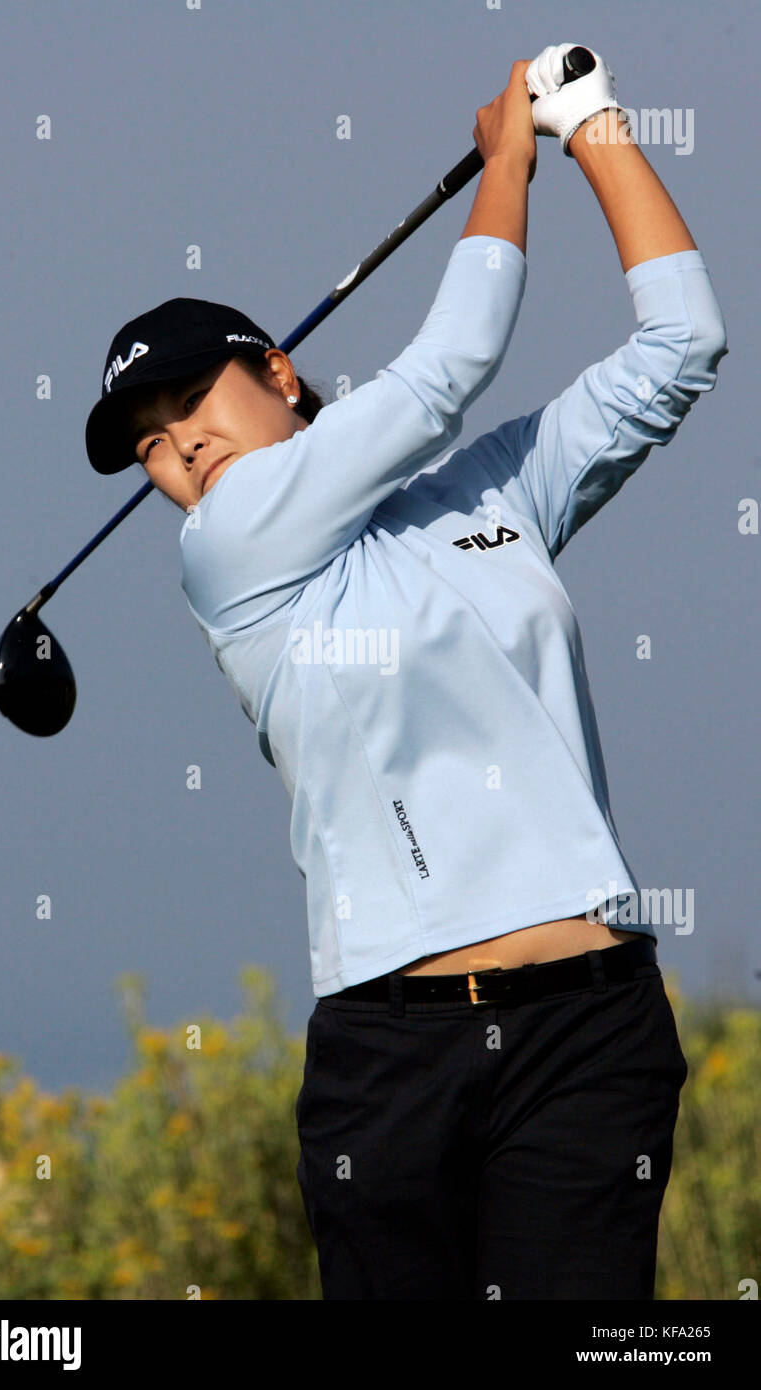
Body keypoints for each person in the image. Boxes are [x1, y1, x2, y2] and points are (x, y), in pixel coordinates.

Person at [84, 46, 728, 1299]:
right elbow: (447, 367)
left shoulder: (485, 498)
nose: (182, 450)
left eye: (192, 401)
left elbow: (682, 344)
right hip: (395, 1054)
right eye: (151, 447)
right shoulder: (226, 553)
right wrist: (505, 165)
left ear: (280, 372)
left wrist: (585, 118)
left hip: (588, 1029)